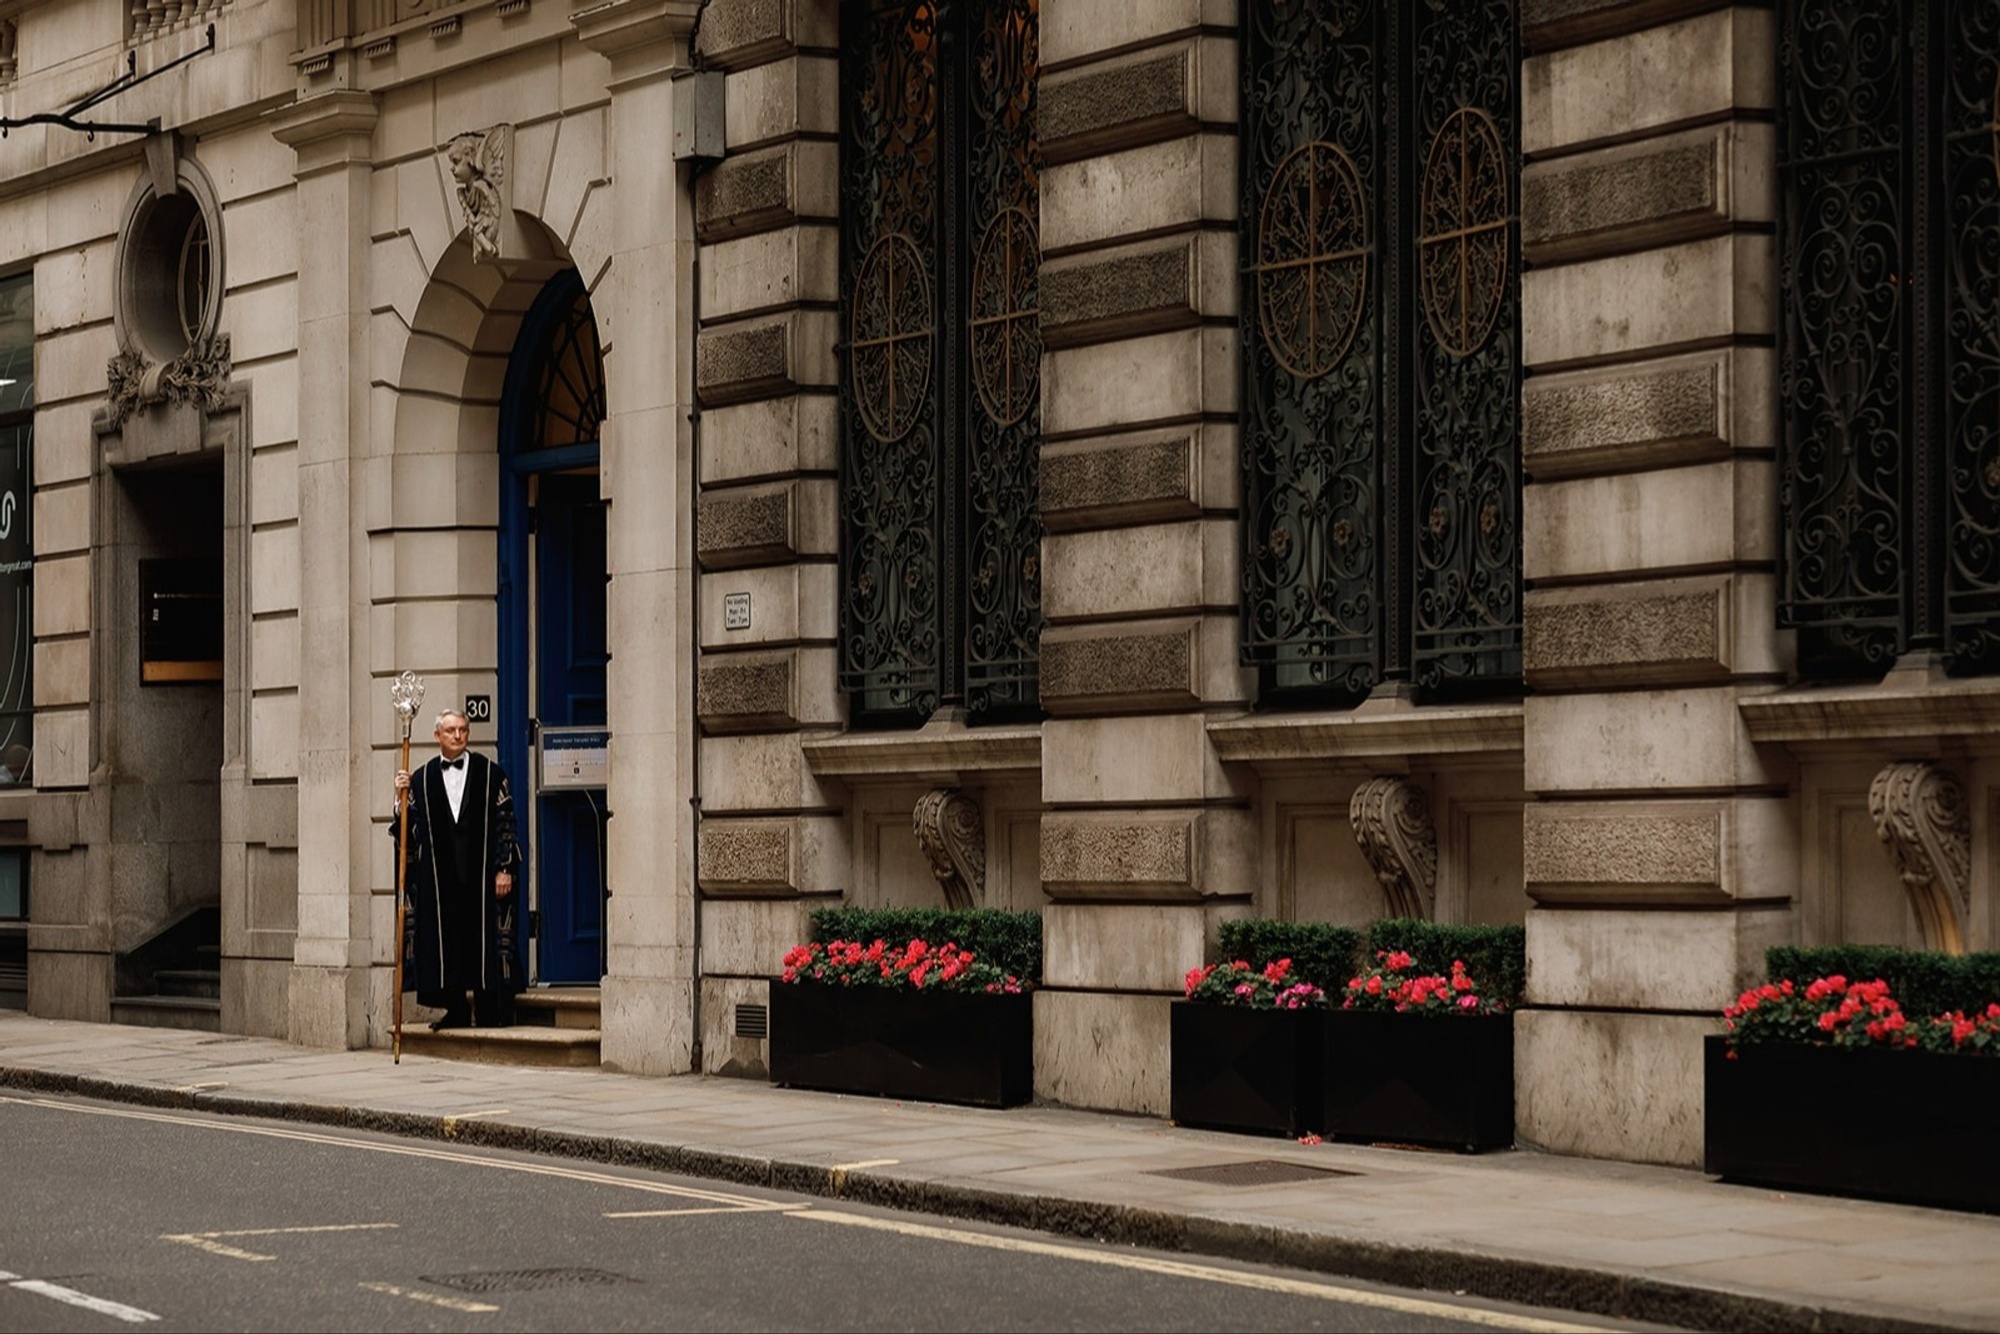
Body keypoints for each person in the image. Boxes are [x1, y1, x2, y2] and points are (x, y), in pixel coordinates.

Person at [392, 710, 523, 1030]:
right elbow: (408, 834)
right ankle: (455, 1009)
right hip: (440, 876)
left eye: (463, 730)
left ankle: (489, 1008)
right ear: (438, 735)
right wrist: (400, 799)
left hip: (480, 874)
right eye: (450, 730)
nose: (458, 736)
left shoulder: (491, 775)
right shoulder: (420, 780)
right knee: (445, 940)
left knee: (483, 939)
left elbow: (506, 823)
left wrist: (503, 868)